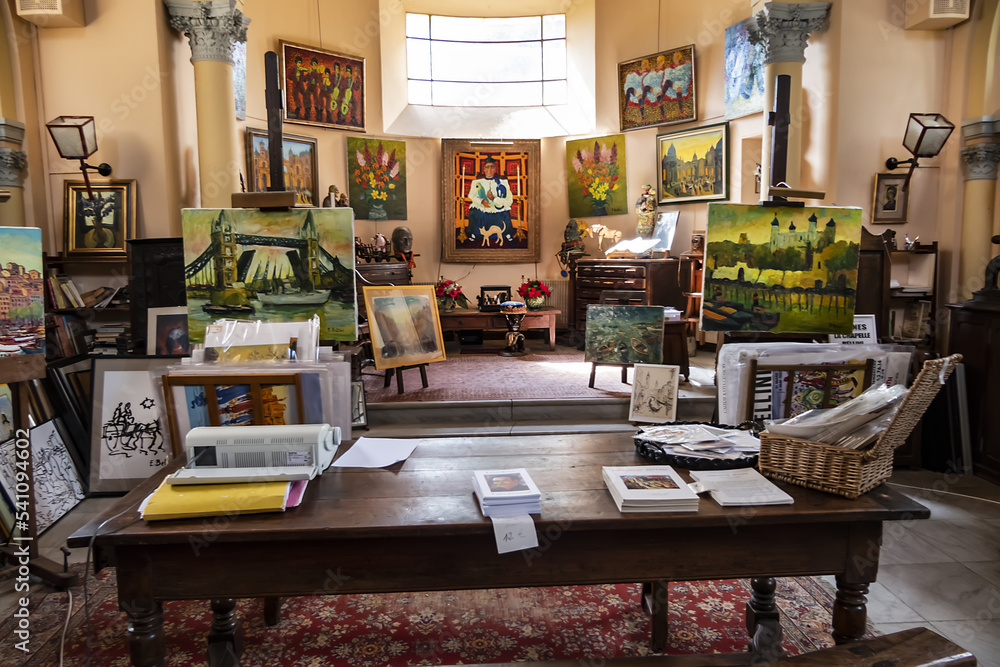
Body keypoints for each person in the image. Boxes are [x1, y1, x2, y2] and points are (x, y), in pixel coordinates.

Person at [467, 157, 513, 244]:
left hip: (497, 206)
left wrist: (494, 199)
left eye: (492, 167)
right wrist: (482, 201)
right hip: (483, 207)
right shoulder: (476, 182)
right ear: (484, 169)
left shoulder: (503, 182)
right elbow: (471, 196)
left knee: (505, 212)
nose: (489, 169)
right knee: (474, 211)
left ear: (495, 169)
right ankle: (474, 233)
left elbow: (509, 199)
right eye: (487, 167)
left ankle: (507, 234)